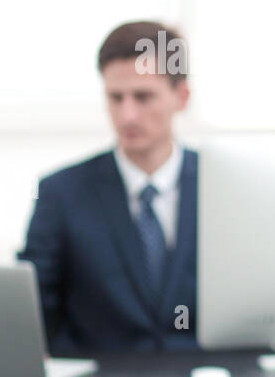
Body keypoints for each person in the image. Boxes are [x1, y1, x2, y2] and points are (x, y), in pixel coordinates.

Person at [18, 21, 199, 353]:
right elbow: (28, 313)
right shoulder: (61, 194)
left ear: (181, 96)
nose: (127, 115)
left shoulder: (223, 189)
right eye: (116, 98)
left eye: (143, 97)